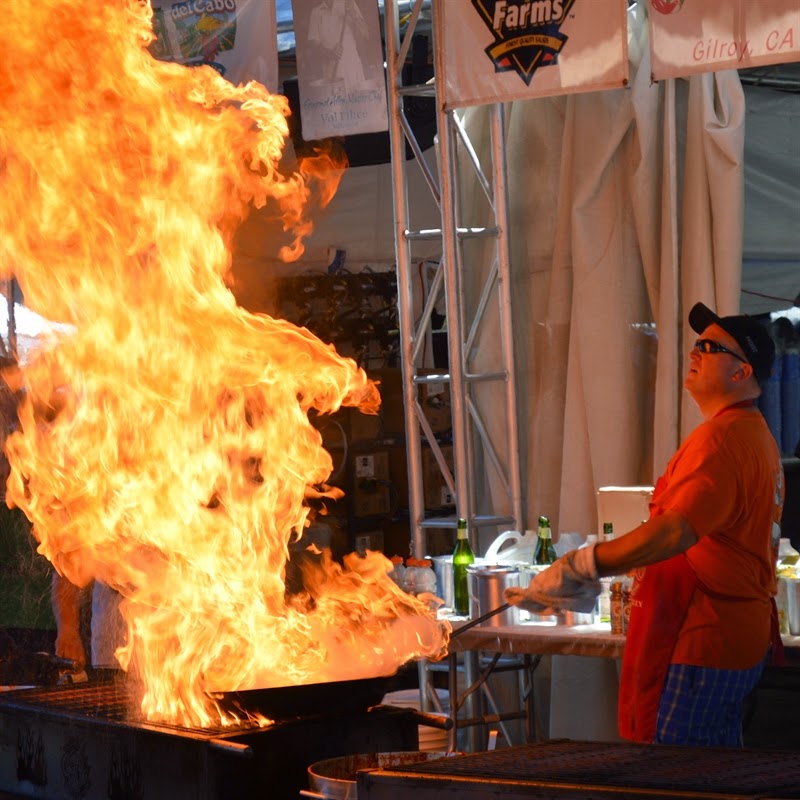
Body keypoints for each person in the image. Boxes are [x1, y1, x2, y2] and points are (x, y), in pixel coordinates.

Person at [506, 302, 784, 747]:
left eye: (710, 348)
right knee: (712, 776)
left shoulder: (723, 439)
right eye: (696, 344)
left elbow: (675, 531)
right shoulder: (752, 434)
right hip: (728, 638)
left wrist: (585, 564)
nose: (694, 353)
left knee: (673, 780)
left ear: (741, 372)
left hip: (700, 640)